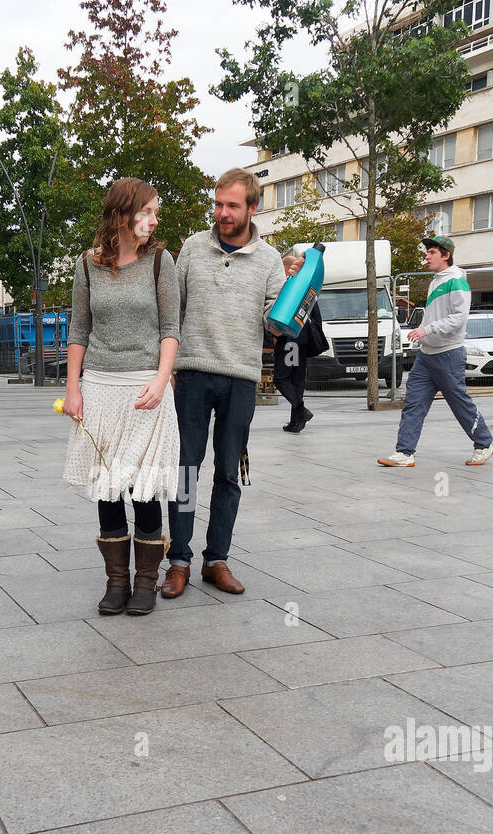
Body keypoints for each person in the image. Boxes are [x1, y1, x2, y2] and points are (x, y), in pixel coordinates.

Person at [159, 168, 285, 600]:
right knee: (187, 471)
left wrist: (297, 302)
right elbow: (171, 313)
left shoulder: (270, 259)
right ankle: (178, 561)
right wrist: (168, 369)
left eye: (232, 205)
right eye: (218, 203)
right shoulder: (193, 248)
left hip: (242, 378)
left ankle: (217, 560)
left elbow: (277, 324)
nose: (222, 212)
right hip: (192, 374)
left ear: (253, 208)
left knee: (229, 472)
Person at [62, 177, 180, 617]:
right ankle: (117, 582)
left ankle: (146, 582)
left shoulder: (160, 261)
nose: (153, 220)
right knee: (108, 490)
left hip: (146, 388)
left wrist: (161, 377)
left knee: (145, 489)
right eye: (146, 211)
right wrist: (73, 388)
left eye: (155, 212)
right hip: (99, 388)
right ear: (121, 214)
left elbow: (171, 328)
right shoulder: (87, 265)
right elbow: (79, 330)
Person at [377, 236, 493, 468]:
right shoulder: (436, 280)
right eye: (428, 252)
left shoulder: (456, 279)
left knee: (459, 403)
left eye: (432, 252)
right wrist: (425, 334)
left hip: (448, 354)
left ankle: (483, 443)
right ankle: (404, 453)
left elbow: (459, 319)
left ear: (446, 255)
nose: (427, 256)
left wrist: (426, 329)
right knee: (414, 403)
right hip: (427, 355)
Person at [268, 251, 325, 432]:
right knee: (297, 380)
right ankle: (296, 421)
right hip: (304, 340)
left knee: (281, 378)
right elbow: (316, 314)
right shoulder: (306, 287)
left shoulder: (290, 285)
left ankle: (300, 411)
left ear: (285, 268)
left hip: (290, 339)